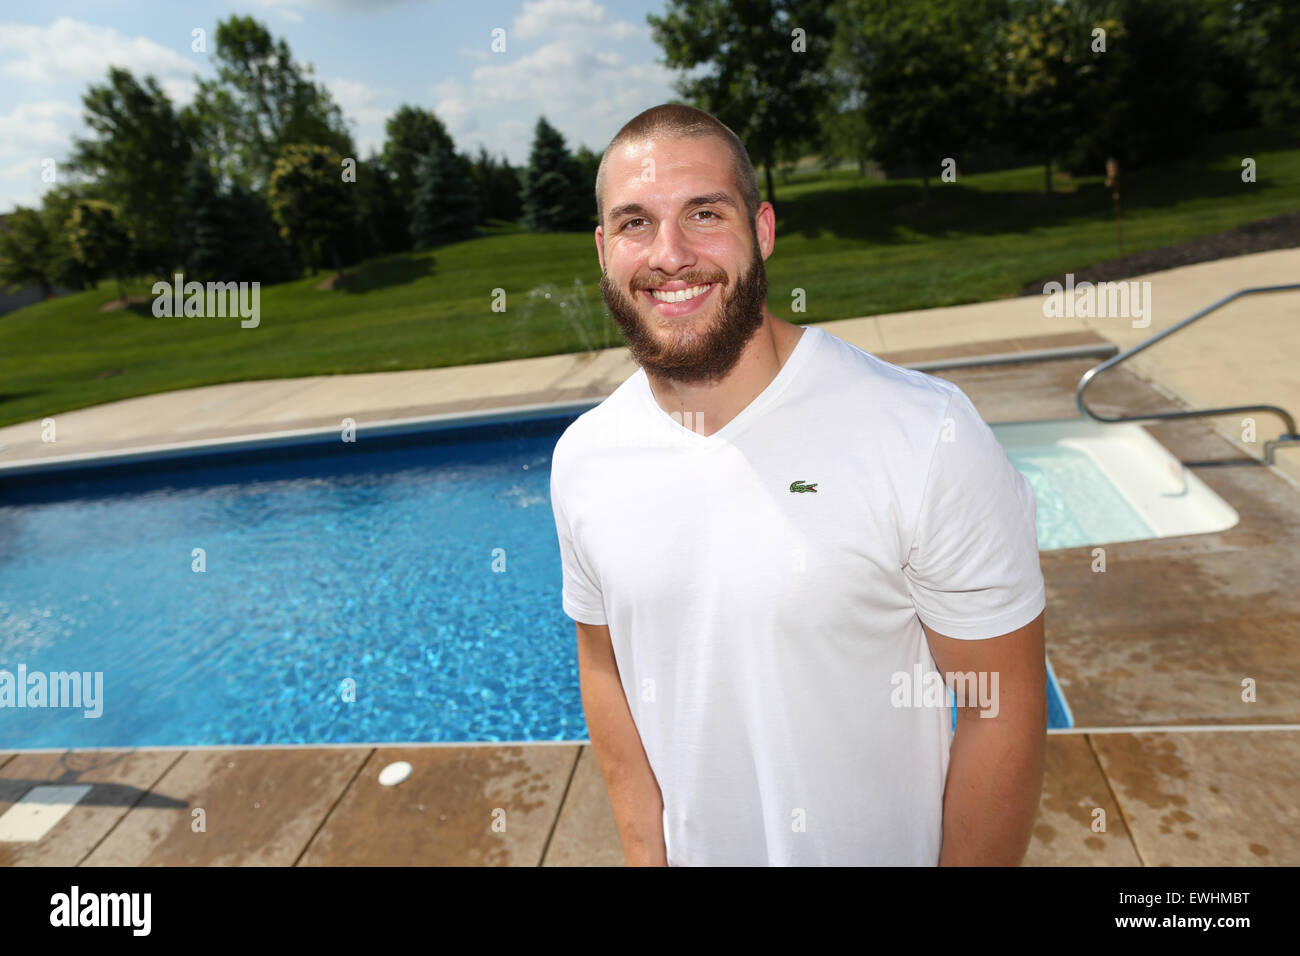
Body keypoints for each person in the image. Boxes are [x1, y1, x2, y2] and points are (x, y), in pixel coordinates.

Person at [549, 103, 1047, 866]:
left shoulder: (922, 432)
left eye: (704, 213)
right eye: (636, 223)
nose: (671, 254)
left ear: (764, 229)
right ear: (603, 248)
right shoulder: (584, 459)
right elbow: (605, 666)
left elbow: (1000, 704)